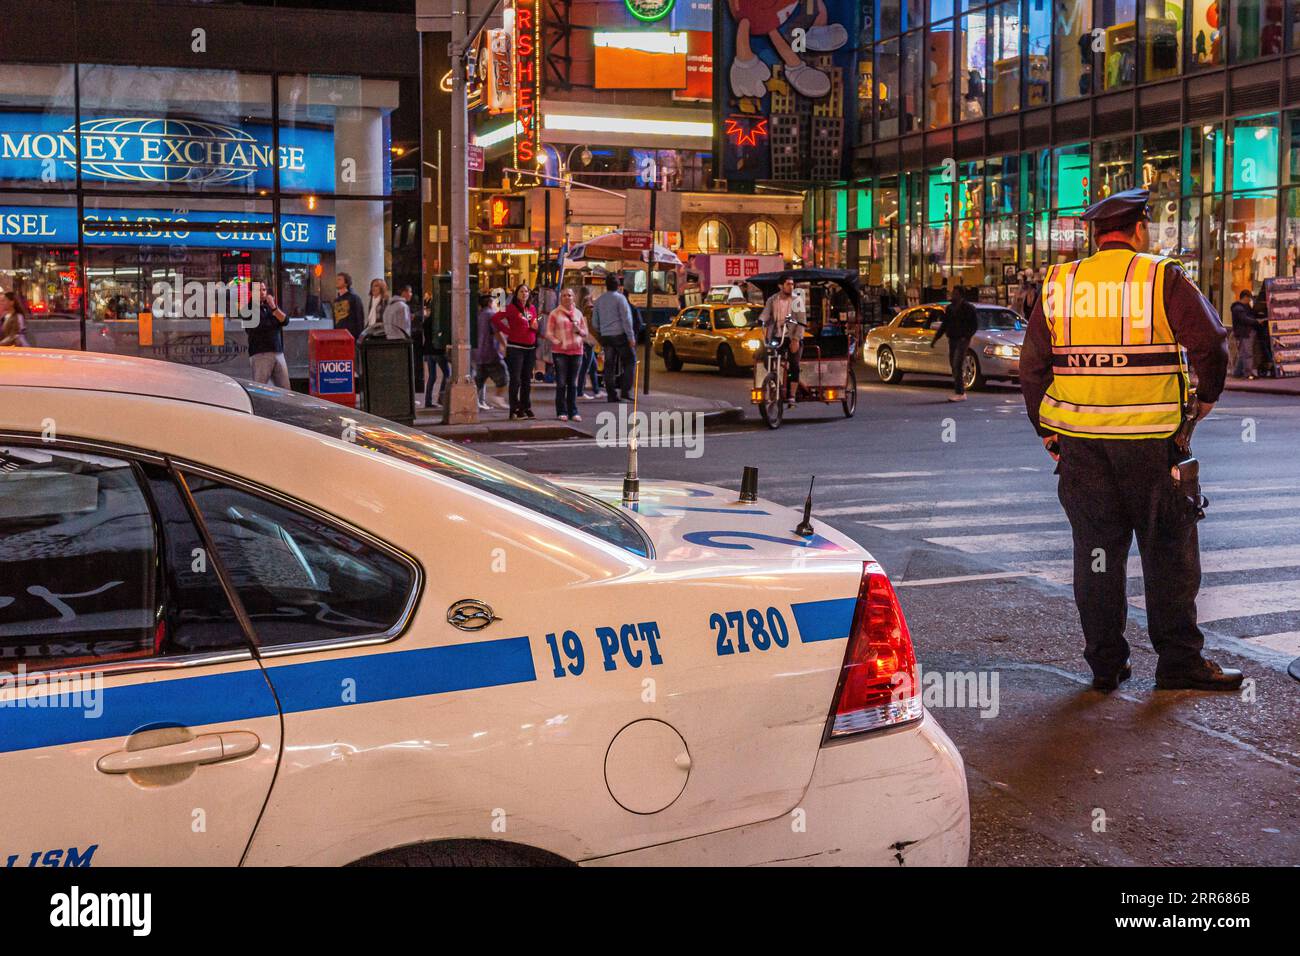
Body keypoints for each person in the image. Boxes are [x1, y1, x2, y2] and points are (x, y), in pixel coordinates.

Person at [1020, 187, 1243, 693]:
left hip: (1082, 450)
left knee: (1096, 556)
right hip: (1151, 447)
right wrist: (1205, 399)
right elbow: (1210, 342)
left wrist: (1048, 432)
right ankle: (1178, 663)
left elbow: (1033, 367)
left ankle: (1105, 666)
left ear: (1095, 236)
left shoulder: (1060, 282)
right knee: (1168, 553)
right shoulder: (1158, 276)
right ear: (1139, 230)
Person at [546, 287, 597, 422]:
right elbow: (549, 333)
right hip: (560, 352)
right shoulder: (554, 314)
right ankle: (561, 411)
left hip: (577, 351)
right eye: (564, 295)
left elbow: (585, 333)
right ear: (560, 298)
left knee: (573, 384)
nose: (567, 297)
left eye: (569, 295)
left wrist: (579, 330)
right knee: (561, 383)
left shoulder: (579, 314)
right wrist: (559, 342)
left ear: (573, 297)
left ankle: (573, 411)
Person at [759, 273, 807, 405]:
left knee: (794, 365)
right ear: (780, 286)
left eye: (792, 284)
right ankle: (773, 380)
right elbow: (765, 314)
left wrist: (796, 339)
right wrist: (760, 321)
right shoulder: (772, 300)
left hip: (791, 337)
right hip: (777, 336)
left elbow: (802, 321)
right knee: (766, 357)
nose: (791, 287)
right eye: (788, 284)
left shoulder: (797, 301)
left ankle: (792, 395)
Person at [495, 283, 538, 419]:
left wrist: (534, 327)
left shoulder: (532, 308)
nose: (524, 294)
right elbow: (495, 319)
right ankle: (514, 408)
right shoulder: (511, 308)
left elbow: (535, 323)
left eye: (526, 291)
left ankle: (526, 407)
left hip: (530, 348)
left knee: (527, 380)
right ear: (516, 294)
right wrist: (508, 331)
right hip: (516, 348)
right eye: (521, 292)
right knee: (516, 379)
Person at [930, 283, 978, 401]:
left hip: (962, 340)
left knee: (957, 363)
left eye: (955, 293)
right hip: (952, 339)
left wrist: (966, 337)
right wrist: (936, 338)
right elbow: (944, 325)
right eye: (953, 293)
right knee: (953, 364)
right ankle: (959, 390)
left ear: (960, 295)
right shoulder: (950, 308)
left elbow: (974, 325)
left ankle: (960, 392)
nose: (953, 295)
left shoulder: (968, 308)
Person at [592, 275, 636, 402]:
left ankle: (611, 394)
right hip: (620, 336)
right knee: (629, 361)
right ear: (618, 286)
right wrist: (630, 337)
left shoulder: (599, 300)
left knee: (609, 365)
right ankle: (625, 391)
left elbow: (595, 322)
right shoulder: (620, 299)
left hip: (606, 336)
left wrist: (602, 331)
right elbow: (626, 319)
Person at [247, 285, 289, 387]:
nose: (262, 293)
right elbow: (259, 327)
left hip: (277, 351)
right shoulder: (248, 309)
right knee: (261, 387)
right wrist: (275, 321)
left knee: (285, 389)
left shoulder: (270, 306)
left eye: (264, 290)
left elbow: (285, 321)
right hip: (261, 353)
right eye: (258, 290)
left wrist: (274, 308)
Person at [474, 293, 508, 410]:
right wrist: (504, 345)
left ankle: (470, 401)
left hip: (479, 354)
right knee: (503, 376)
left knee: (479, 380)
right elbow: (497, 332)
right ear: (490, 303)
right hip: (491, 352)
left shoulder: (478, 315)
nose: (496, 305)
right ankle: (497, 398)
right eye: (494, 302)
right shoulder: (492, 315)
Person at [425, 292, 452, 408]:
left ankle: (428, 401)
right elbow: (441, 336)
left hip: (428, 350)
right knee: (447, 373)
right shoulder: (439, 321)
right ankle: (441, 397)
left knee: (432, 376)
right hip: (437, 351)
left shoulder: (426, 320)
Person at [1230, 288, 1261, 379]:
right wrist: (1256, 322)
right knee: (1247, 353)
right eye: (1249, 298)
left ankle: (1237, 372)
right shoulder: (1238, 308)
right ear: (1245, 297)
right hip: (1244, 333)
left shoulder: (1243, 307)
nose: (1249, 301)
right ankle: (1248, 373)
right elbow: (1244, 319)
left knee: (1243, 353)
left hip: (1245, 332)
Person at [575, 286, 601, 398]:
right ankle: (580, 392)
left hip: (584, 339)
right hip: (588, 341)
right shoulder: (589, 307)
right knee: (585, 367)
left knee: (593, 366)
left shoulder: (578, 307)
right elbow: (591, 326)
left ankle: (596, 390)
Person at [333, 273, 364, 339]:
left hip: (351, 334)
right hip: (339, 333)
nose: (337, 281)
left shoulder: (354, 298)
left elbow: (359, 318)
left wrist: (359, 336)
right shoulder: (336, 300)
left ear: (346, 283)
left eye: (339, 279)